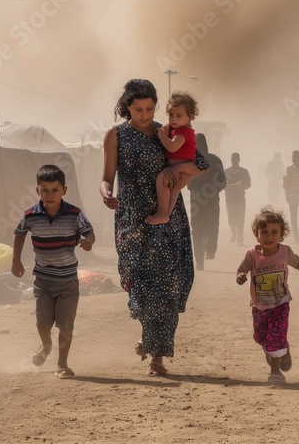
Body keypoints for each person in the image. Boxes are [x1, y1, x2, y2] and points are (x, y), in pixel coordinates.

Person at [100, 79, 208, 376]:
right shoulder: (116, 135)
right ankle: (148, 334)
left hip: (167, 219)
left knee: (167, 286)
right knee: (141, 283)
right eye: (138, 109)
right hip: (132, 219)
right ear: (127, 107)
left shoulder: (169, 132)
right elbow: (107, 176)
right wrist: (106, 192)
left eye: (150, 108)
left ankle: (157, 356)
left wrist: (175, 170)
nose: (145, 115)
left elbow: (200, 164)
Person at [11, 164, 95, 380]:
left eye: (55, 190)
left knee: (66, 326)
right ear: (37, 190)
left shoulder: (74, 214)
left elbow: (89, 231)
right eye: (44, 190)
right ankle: (46, 346)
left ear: (64, 190)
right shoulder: (30, 215)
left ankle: (62, 364)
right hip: (43, 281)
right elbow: (19, 234)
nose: (49, 195)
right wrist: (16, 260)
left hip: (68, 281)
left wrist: (88, 242)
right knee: (43, 323)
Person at [236, 207, 299, 385]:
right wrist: (240, 276)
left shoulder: (284, 252)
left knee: (275, 337)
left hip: (280, 305)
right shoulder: (251, 254)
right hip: (259, 306)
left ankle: (275, 372)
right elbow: (242, 269)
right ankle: (282, 350)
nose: (269, 237)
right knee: (260, 337)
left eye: (274, 232)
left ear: (282, 233)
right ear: (256, 235)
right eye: (264, 232)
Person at [147, 92, 201, 225]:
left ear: (191, 117)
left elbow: (172, 147)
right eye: (170, 115)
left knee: (162, 179)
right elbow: (168, 127)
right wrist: (165, 129)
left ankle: (162, 212)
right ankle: (166, 214)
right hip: (181, 170)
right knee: (173, 192)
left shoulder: (183, 133)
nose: (173, 119)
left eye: (178, 116)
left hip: (180, 170)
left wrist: (161, 136)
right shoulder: (179, 128)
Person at [187, 133, 226, 268]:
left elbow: (188, 183)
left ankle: (199, 260)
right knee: (212, 225)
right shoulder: (215, 160)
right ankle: (210, 251)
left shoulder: (191, 160)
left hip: (196, 201)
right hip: (212, 200)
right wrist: (214, 191)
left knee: (196, 229)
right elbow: (223, 181)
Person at [282, 150, 299, 243]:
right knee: (294, 216)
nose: (294, 159)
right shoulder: (289, 168)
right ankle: (296, 235)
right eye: (293, 157)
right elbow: (286, 184)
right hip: (292, 196)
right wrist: (286, 196)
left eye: (296, 157)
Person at [225, 153, 252, 245]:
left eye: (236, 160)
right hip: (229, 199)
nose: (234, 162)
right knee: (230, 218)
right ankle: (233, 232)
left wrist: (241, 186)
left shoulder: (244, 172)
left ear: (239, 160)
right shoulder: (226, 172)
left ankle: (240, 237)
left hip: (240, 198)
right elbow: (222, 186)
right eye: (233, 160)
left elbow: (248, 184)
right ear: (231, 160)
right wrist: (234, 185)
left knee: (240, 218)